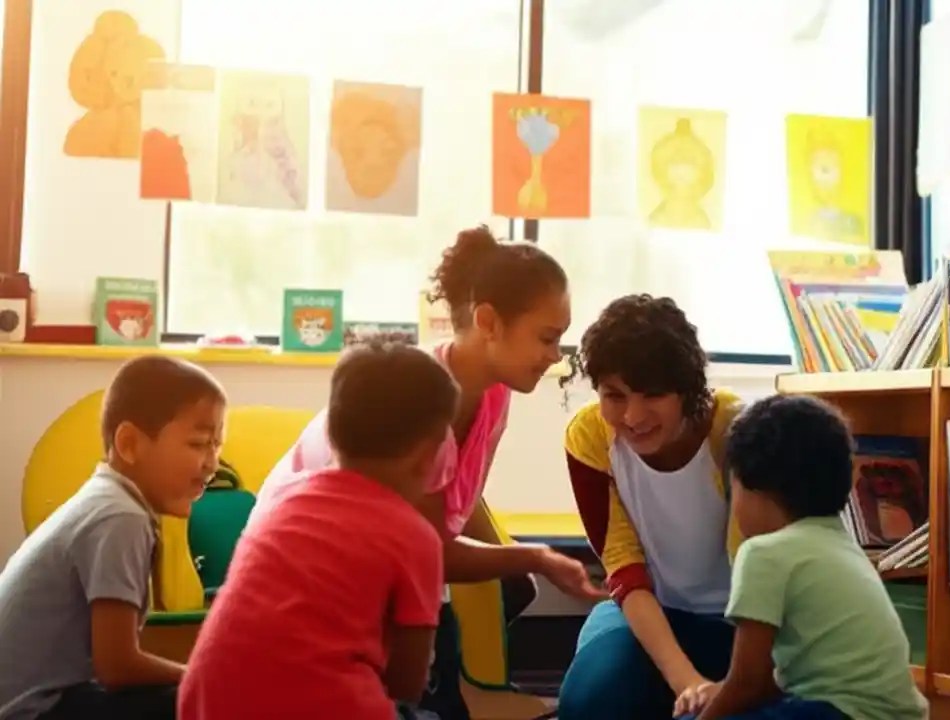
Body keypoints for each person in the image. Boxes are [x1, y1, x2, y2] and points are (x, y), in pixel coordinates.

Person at [250, 225, 602, 718]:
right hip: (309, 568)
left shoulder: (495, 394)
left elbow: (458, 502)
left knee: (504, 593)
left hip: (379, 558)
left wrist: (515, 565)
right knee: (426, 676)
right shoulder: (418, 400)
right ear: (488, 321)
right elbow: (428, 547)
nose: (554, 355)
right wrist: (536, 558)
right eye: (547, 337)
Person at [180, 341, 455, 720]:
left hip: (206, 702)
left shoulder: (282, 503)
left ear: (332, 433)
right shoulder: (416, 536)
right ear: (430, 453)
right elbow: (407, 683)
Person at [674, 395, 928, 720]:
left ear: (752, 487)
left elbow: (750, 683)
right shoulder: (842, 544)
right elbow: (778, 679)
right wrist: (721, 691)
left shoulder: (763, 554)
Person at [0, 356, 226, 720]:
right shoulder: (121, 517)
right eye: (199, 443)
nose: (213, 462)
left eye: (217, 445)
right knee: (196, 700)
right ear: (130, 443)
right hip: (32, 711)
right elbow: (117, 666)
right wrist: (198, 676)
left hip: (40, 701)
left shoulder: (107, 500)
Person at [557, 294, 744, 720]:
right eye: (615, 395)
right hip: (648, 613)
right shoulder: (589, 437)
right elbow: (622, 565)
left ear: (687, 389)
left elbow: (758, 565)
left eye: (653, 395)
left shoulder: (733, 430)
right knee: (588, 703)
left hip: (741, 621)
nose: (633, 416)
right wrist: (688, 682)